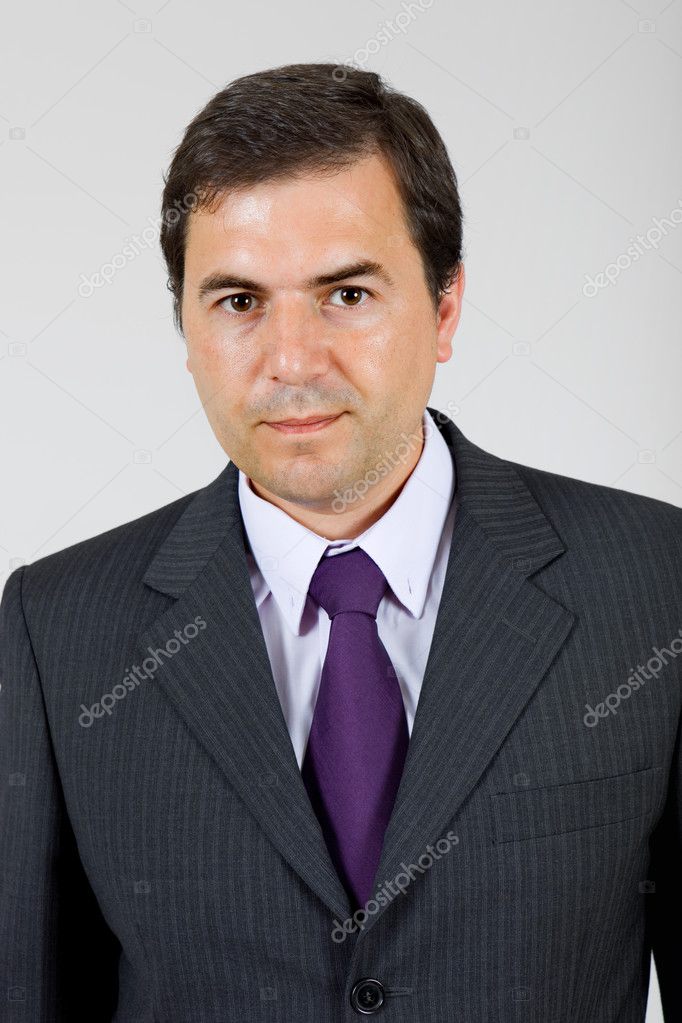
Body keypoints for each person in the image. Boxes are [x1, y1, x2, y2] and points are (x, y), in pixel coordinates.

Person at [1, 62, 680, 1022]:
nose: (292, 361)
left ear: (445, 307)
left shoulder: (655, 584)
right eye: (238, 301)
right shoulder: (56, 628)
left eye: (348, 294)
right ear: (185, 327)